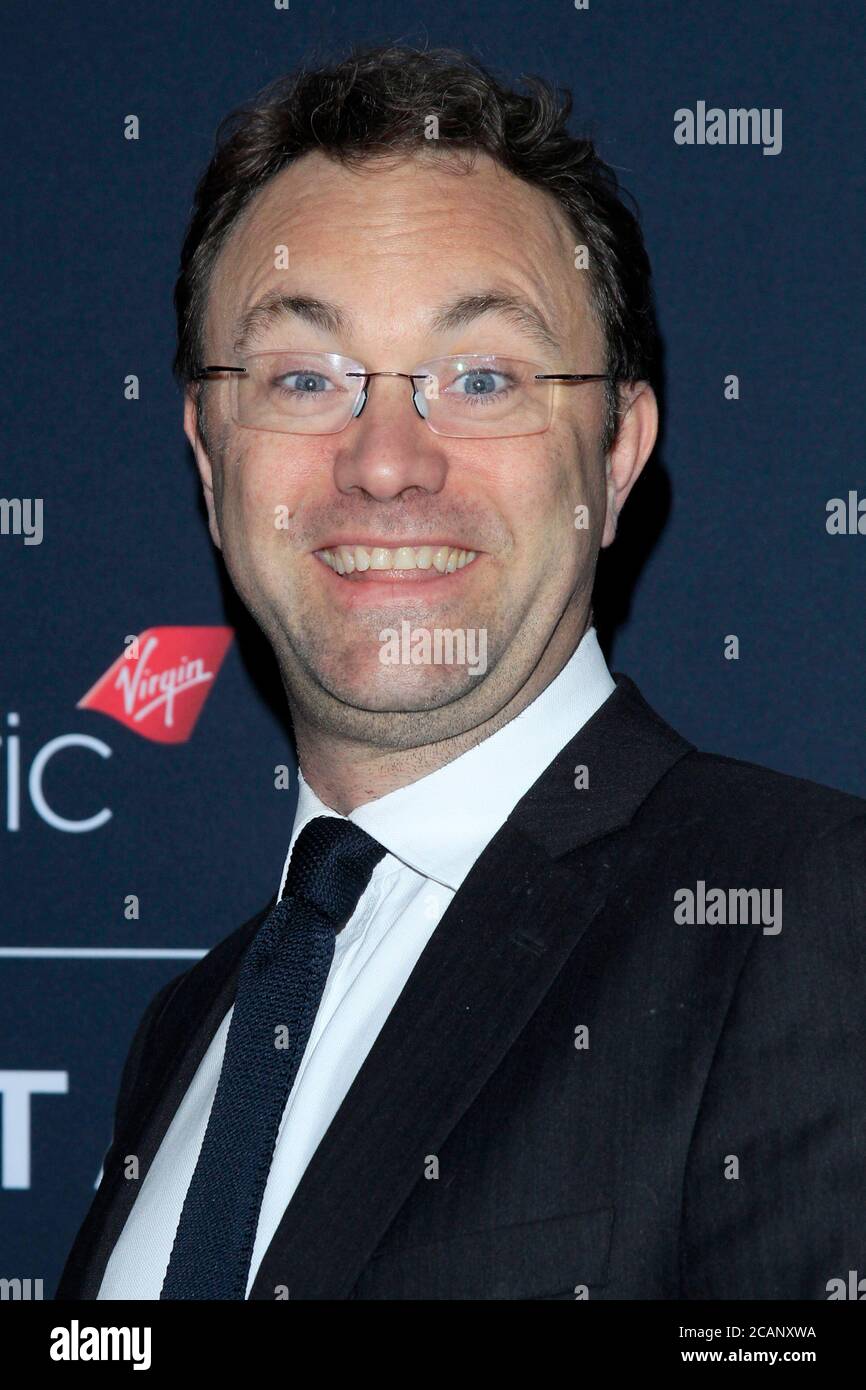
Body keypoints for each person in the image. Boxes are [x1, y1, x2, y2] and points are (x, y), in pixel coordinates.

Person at [57, 43, 866, 1301]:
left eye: (481, 377)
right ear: (211, 466)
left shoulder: (804, 916)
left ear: (612, 456)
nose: (384, 460)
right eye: (305, 379)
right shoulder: (191, 1027)